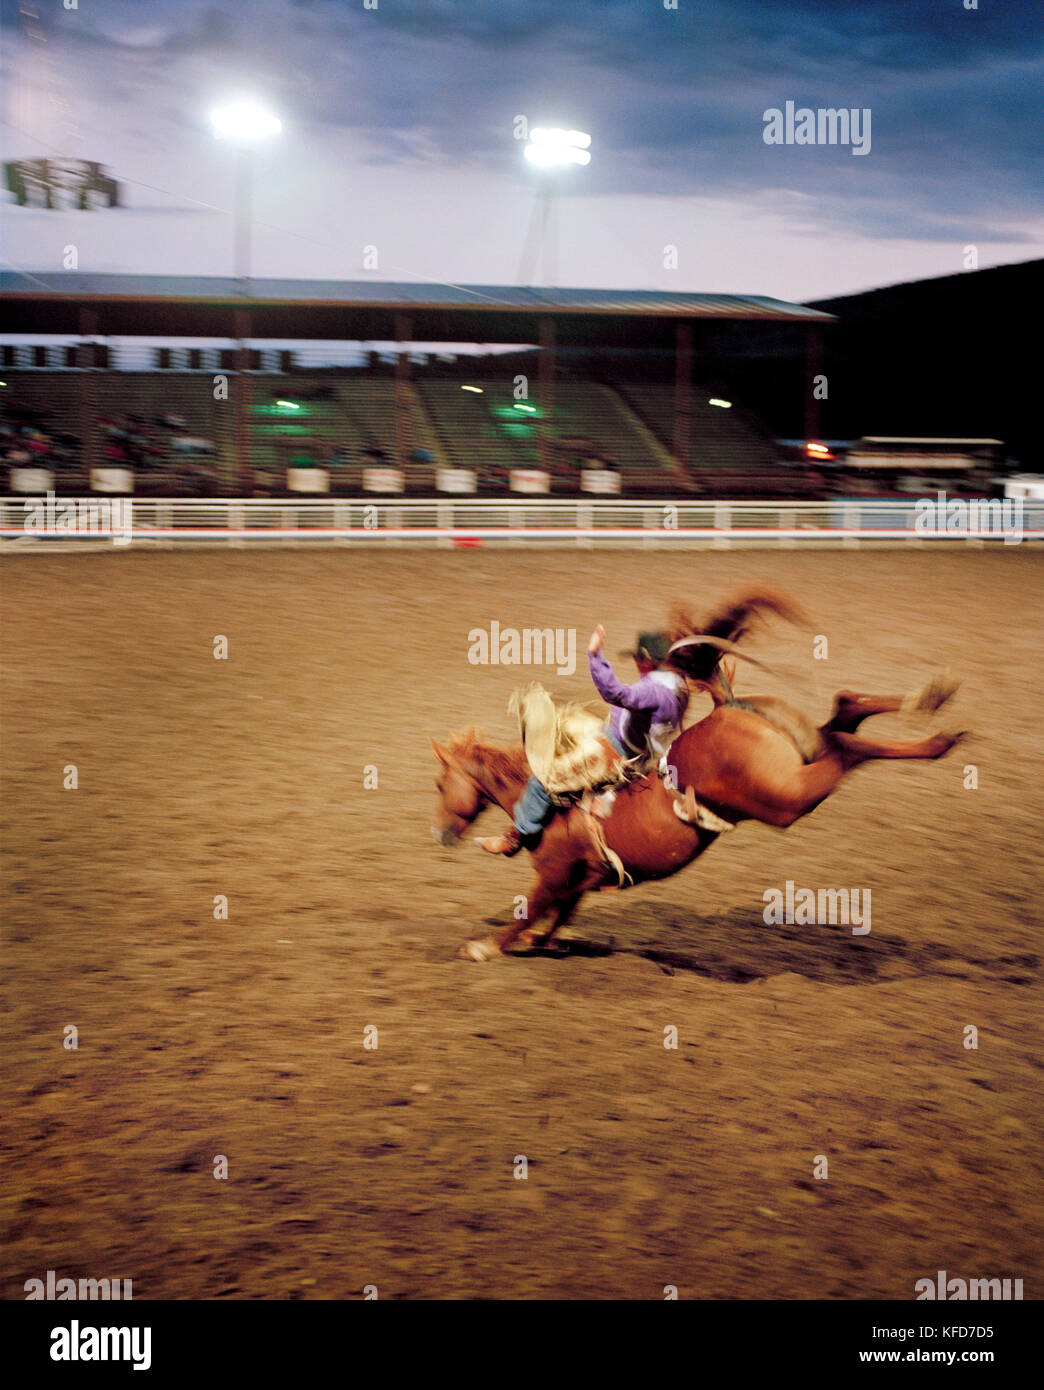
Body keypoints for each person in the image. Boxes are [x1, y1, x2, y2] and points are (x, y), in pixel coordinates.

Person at [477, 625, 689, 856]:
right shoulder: (679, 686)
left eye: (638, 658)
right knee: (562, 728)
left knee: (545, 779)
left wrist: (595, 654)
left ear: (646, 660)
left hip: (616, 749)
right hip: (627, 742)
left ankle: (516, 837)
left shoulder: (653, 691)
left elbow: (616, 693)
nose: (637, 664)